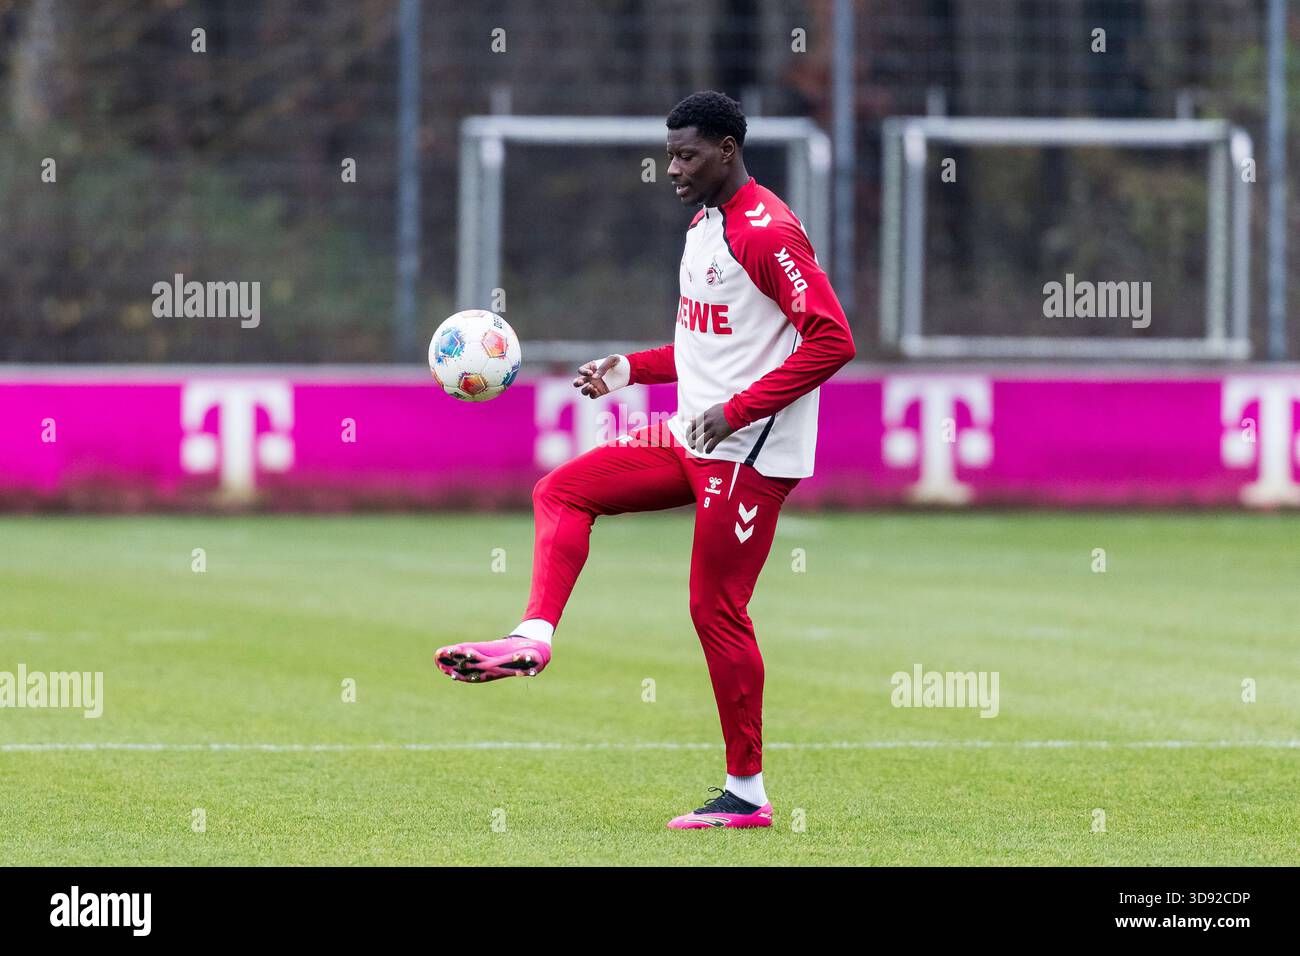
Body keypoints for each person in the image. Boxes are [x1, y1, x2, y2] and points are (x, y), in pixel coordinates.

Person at [435, 90, 856, 830]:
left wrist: (738, 411)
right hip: (695, 437)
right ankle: (532, 638)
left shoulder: (768, 232)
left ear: (727, 151)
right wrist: (628, 369)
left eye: (687, 154)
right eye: (669, 154)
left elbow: (832, 340)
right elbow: (703, 350)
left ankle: (747, 795)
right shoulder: (704, 227)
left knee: (715, 609)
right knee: (562, 491)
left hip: (750, 453)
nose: (672, 168)